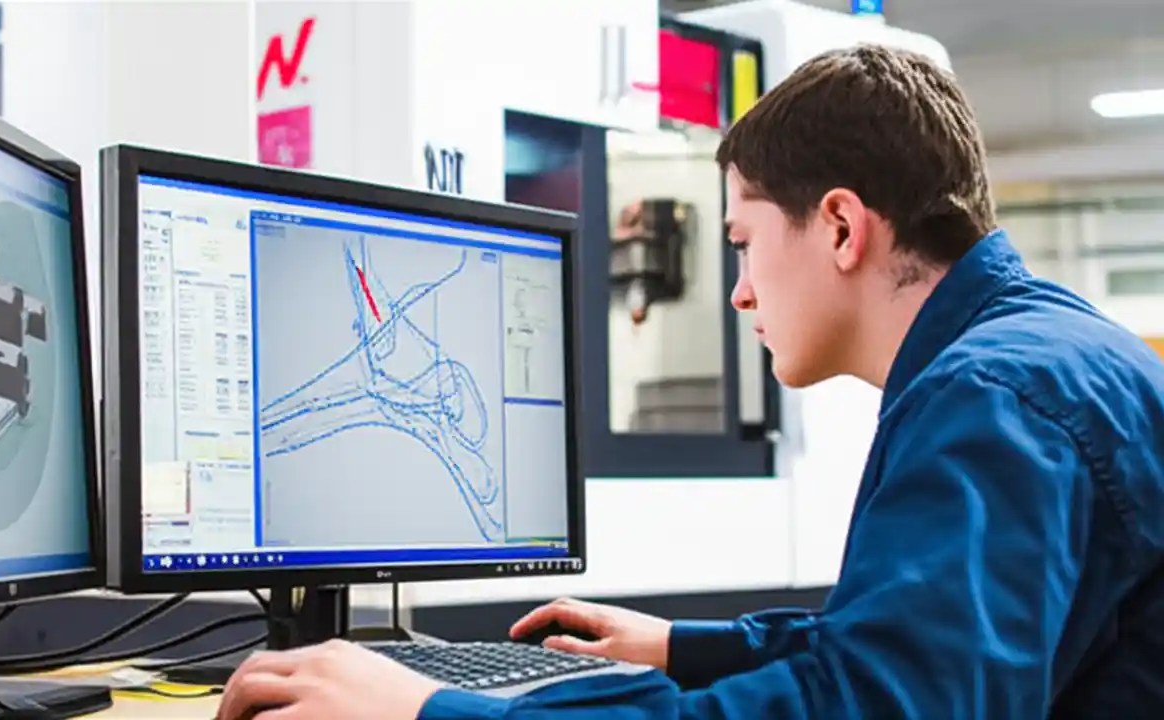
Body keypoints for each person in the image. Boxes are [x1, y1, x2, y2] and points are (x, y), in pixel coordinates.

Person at [215, 43, 1164, 720]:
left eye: (745, 243)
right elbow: (906, 647)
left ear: (840, 227)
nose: (742, 292)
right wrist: (682, 647)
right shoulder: (1051, 356)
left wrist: (433, 709)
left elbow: (879, 704)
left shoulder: (990, 400)